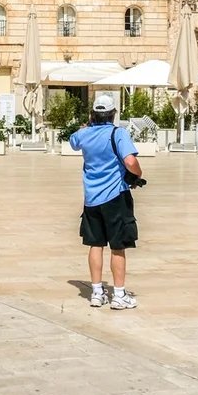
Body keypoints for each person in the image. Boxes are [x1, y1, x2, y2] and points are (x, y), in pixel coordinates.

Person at [69, 94, 142, 310]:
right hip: (115, 196)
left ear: (93, 114)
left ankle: (96, 292)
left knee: (96, 244)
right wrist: (137, 174)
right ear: (113, 114)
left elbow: (73, 140)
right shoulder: (117, 133)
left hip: (91, 198)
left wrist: (88, 126)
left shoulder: (84, 134)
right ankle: (119, 294)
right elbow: (130, 160)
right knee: (118, 246)